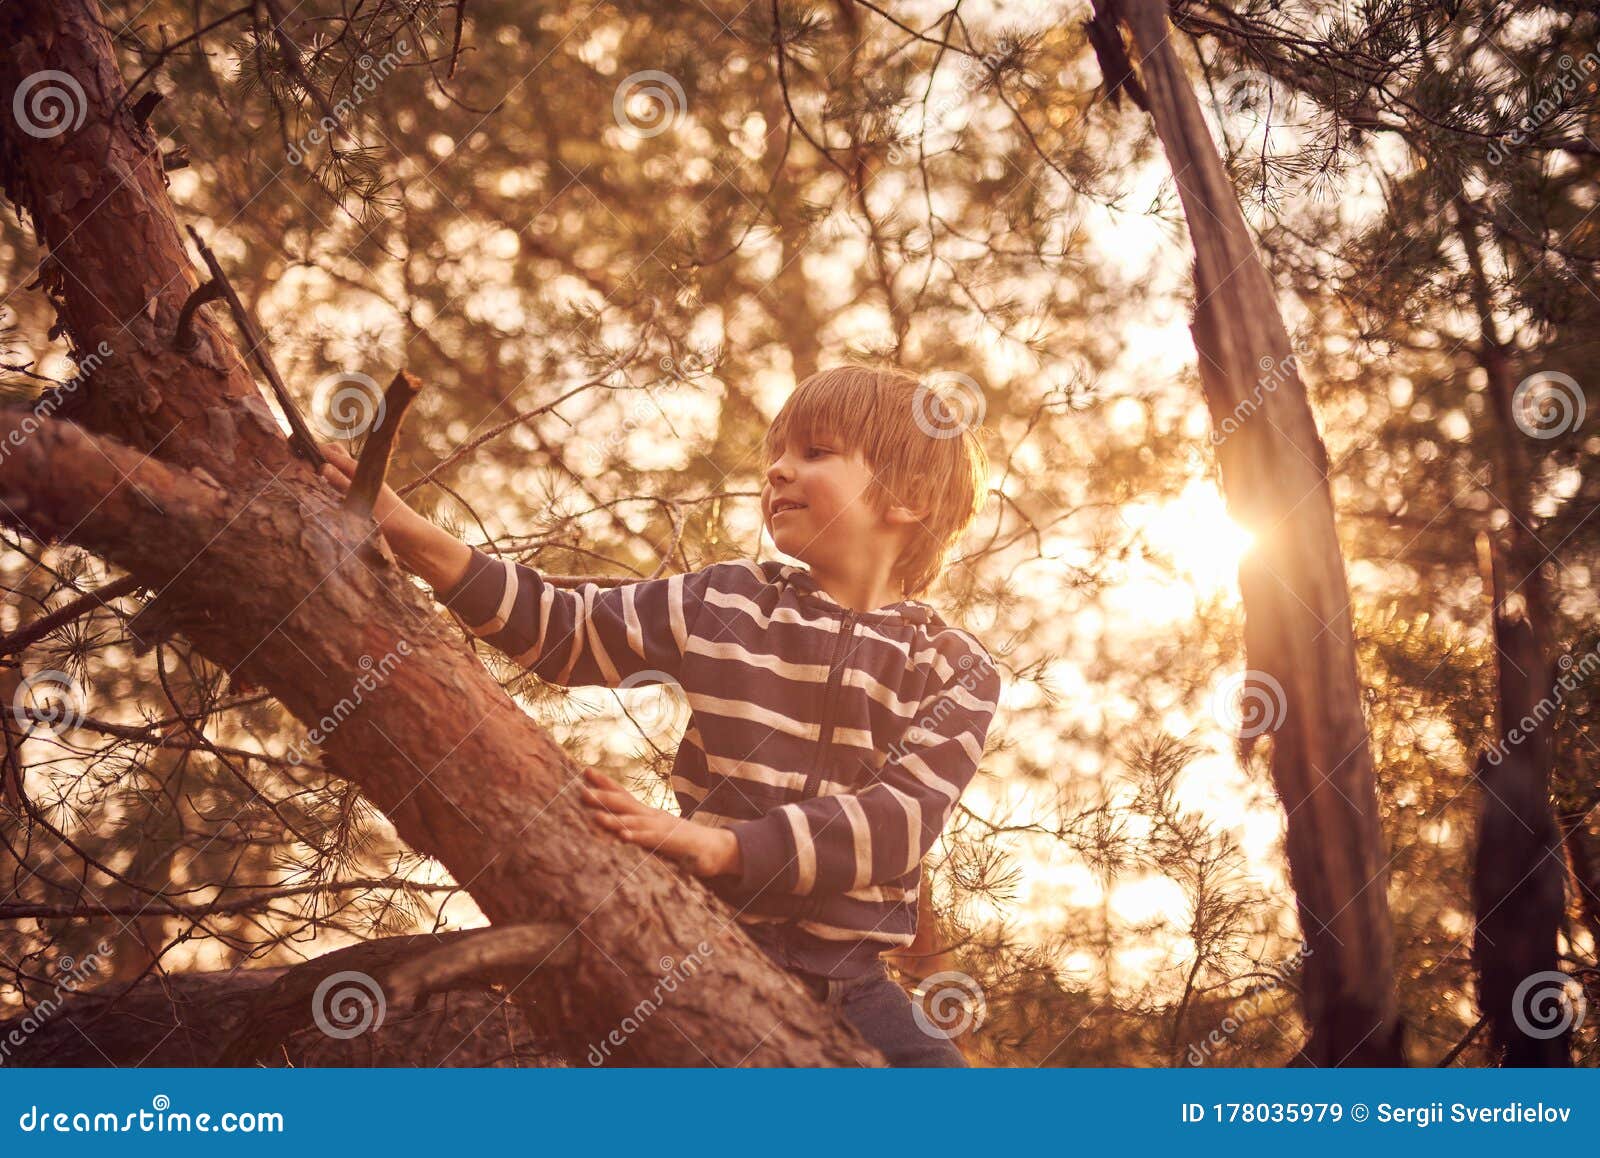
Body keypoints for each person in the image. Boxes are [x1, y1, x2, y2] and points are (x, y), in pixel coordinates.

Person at [320, 364, 1003, 1066]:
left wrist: (725, 848)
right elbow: (564, 628)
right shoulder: (727, 602)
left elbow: (897, 823)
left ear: (909, 498)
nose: (777, 471)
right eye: (777, 454)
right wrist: (410, 534)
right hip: (703, 953)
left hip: (861, 993)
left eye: (814, 453)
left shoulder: (957, 668)